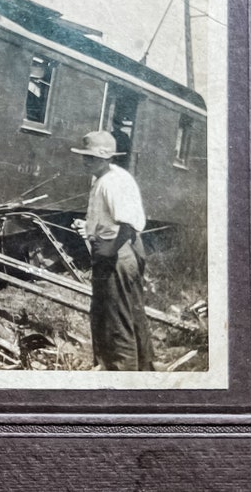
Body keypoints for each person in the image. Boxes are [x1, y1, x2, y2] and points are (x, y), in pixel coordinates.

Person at [70, 130, 153, 371]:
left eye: (92, 157)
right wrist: (89, 227)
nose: (86, 161)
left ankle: (120, 380)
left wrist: (109, 250)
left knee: (115, 322)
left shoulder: (110, 183)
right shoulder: (113, 176)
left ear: (106, 158)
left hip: (117, 254)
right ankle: (144, 374)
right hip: (124, 249)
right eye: (85, 156)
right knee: (133, 317)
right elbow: (116, 220)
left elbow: (126, 225)